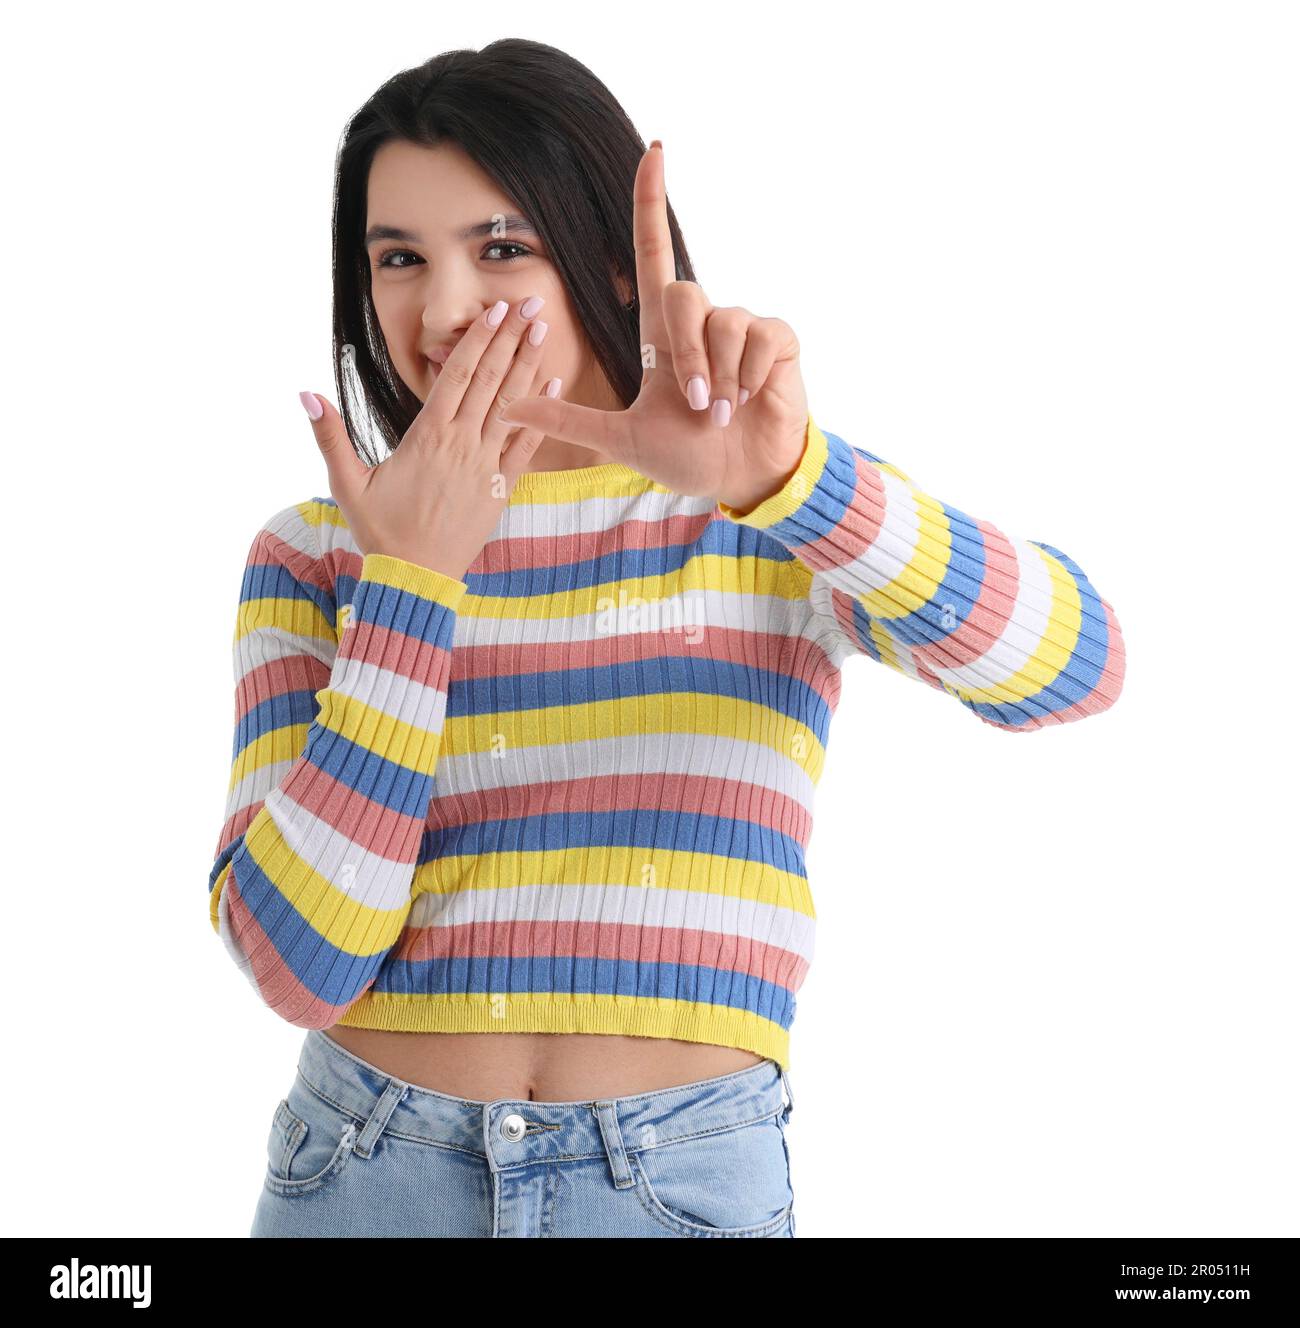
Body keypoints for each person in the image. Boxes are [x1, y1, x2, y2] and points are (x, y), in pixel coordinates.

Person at [209, 39, 1126, 1238]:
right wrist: (410, 586)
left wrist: (795, 480)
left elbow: (1072, 668)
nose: (438, 311)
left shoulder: (762, 512)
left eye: (499, 248)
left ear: (606, 256)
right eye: (397, 258)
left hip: (675, 1178)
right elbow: (298, 968)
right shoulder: (319, 552)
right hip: (365, 1165)